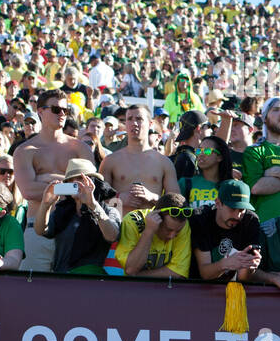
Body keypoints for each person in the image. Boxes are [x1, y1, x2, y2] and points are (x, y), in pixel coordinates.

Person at [15, 89, 98, 271]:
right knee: (30, 290)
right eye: (55, 109)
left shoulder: (80, 148)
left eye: (65, 110)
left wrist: (49, 183)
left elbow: (90, 189)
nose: (61, 114)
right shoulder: (25, 150)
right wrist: (70, 185)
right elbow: (28, 191)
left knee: (72, 293)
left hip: (74, 228)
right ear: (40, 111)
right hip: (37, 228)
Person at [37, 158, 121, 274]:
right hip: (61, 278)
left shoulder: (109, 211)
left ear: (94, 183)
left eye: (81, 178)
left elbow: (112, 236)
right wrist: (45, 205)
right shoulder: (63, 211)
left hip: (91, 281)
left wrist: (92, 204)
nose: (75, 183)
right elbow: (41, 230)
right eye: (70, 180)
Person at [100, 104, 179, 215]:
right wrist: (119, 198)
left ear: (150, 123)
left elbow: (176, 202)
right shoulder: (110, 161)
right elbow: (100, 200)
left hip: (153, 228)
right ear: (125, 124)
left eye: (139, 119)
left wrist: (153, 197)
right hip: (120, 228)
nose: (134, 123)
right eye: (130, 119)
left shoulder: (164, 163)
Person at [190, 179, 263, 281]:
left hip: (232, 288)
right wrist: (225, 264)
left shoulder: (251, 221)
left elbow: (242, 278)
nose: (237, 216)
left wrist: (250, 266)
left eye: (242, 210)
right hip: (197, 288)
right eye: (232, 209)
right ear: (218, 203)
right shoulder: (201, 218)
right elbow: (204, 274)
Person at [115, 192, 192, 278]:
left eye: (177, 232)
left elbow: (178, 273)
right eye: (168, 230)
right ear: (156, 217)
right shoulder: (133, 221)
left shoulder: (182, 225)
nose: (172, 236)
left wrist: (138, 276)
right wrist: (149, 231)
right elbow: (131, 269)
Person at [180, 135, 233, 210]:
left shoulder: (230, 186)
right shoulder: (184, 183)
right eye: (199, 150)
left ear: (220, 157)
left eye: (207, 150)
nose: (201, 154)